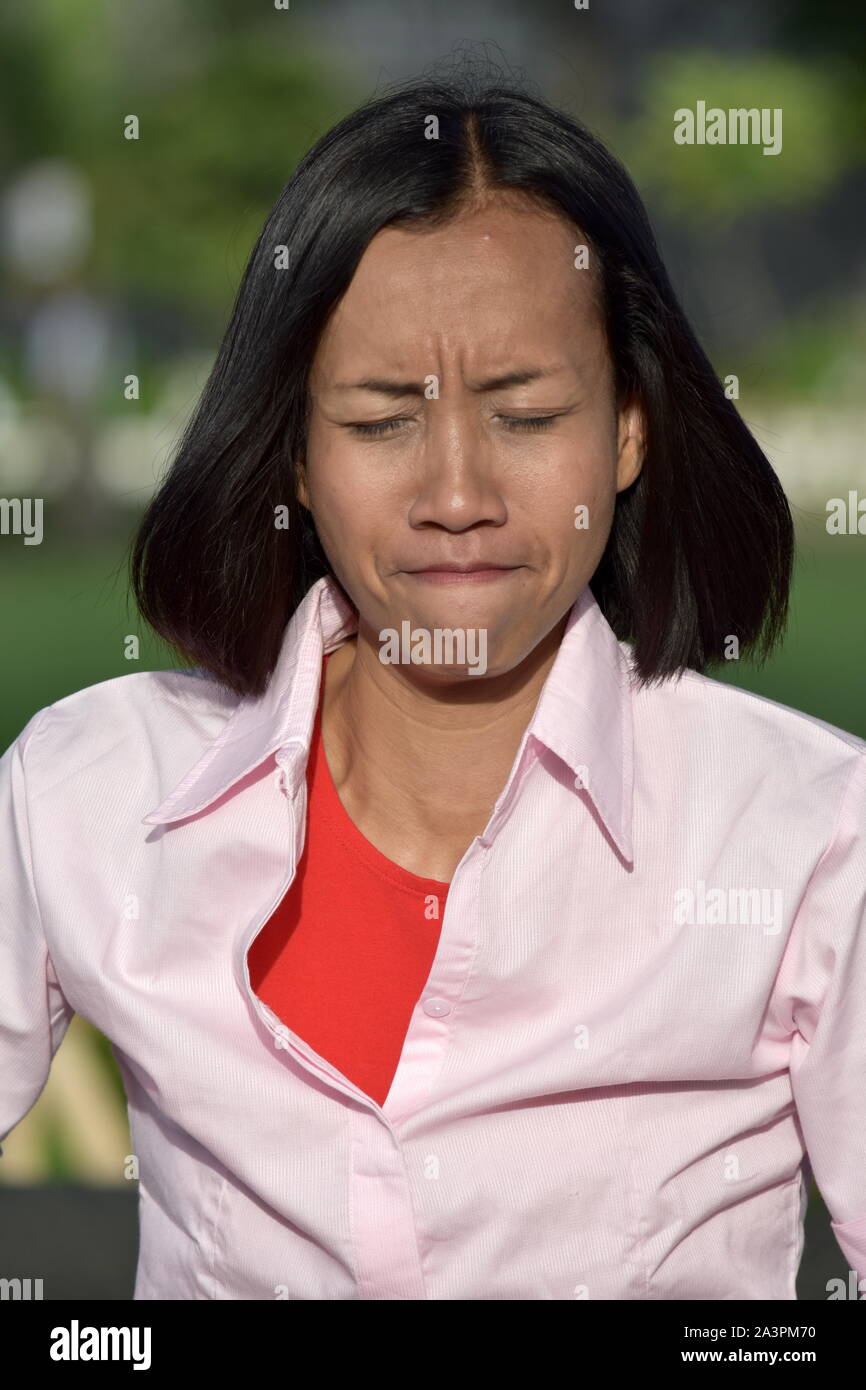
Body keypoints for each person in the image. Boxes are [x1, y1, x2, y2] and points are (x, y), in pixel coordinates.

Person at [2, 69, 864, 1302]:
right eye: (378, 421)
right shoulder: (87, 795)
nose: (455, 496)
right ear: (291, 447)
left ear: (627, 428)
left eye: (522, 414)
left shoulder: (806, 836)